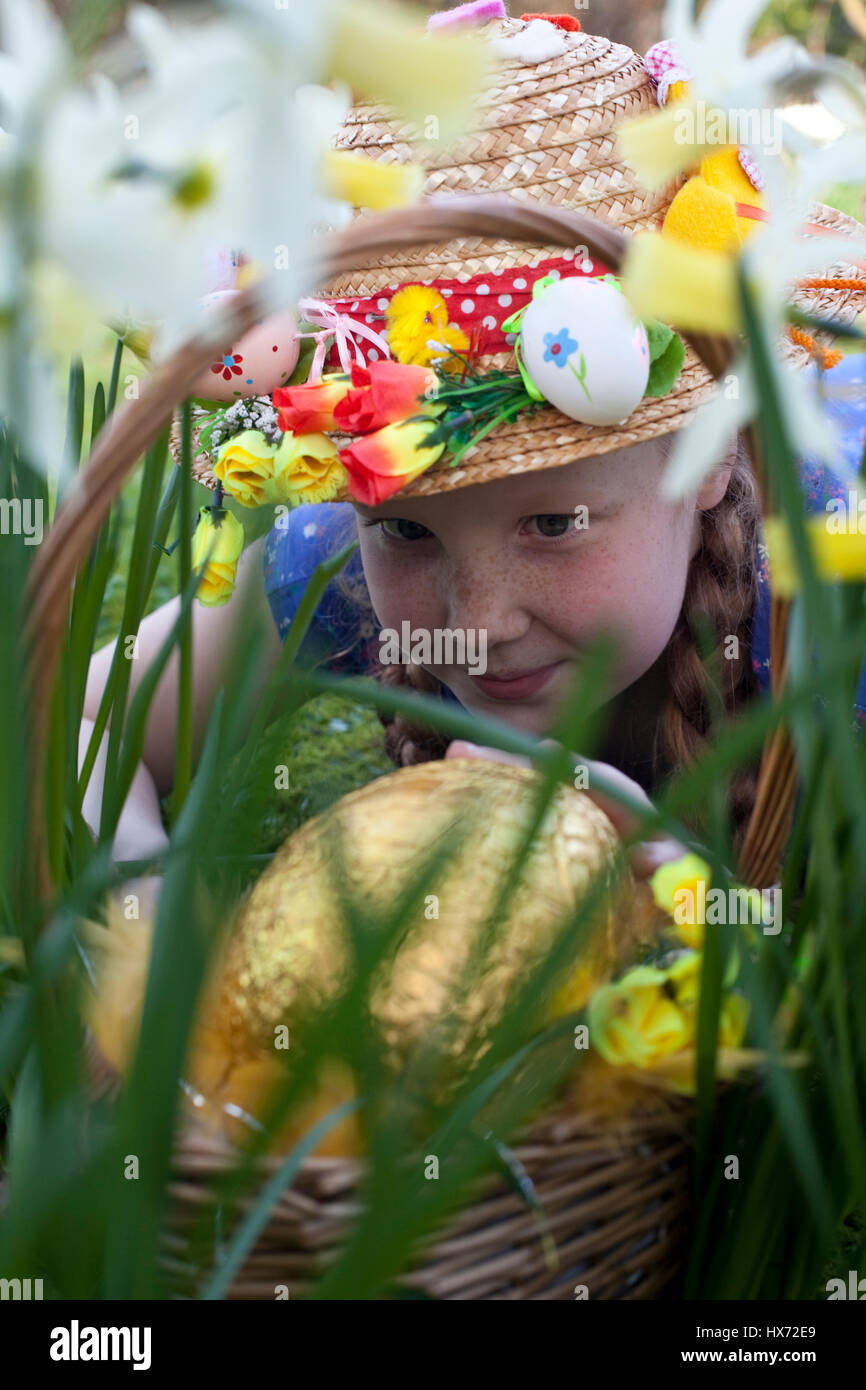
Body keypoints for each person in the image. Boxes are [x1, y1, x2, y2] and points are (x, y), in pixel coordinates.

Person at [80, 13, 866, 885]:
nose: (480, 625)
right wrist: (135, 894)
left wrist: (694, 911)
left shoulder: (833, 602)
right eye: (409, 533)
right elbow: (77, 718)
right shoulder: (341, 562)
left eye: (556, 521)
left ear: (712, 457)